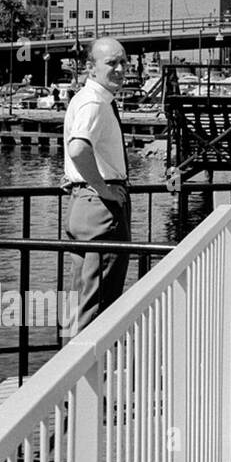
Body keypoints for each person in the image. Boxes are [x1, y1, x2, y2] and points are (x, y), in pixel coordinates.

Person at [62, 38, 132, 335]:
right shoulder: (95, 102)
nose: (120, 69)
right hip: (100, 209)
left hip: (86, 205)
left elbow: (75, 151)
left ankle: (72, 374)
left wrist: (81, 181)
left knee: (83, 297)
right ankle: (88, 378)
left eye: (123, 62)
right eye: (111, 63)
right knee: (98, 303)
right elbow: (78, 148)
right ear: (91, 68)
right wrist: (102, 188)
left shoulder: (86, 98)